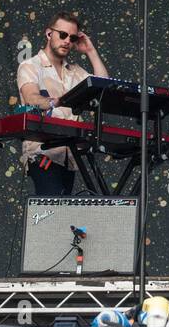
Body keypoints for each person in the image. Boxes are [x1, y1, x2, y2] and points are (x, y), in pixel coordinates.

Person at [16, 11, 108, 196]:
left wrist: (91, 51)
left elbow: (103, 87)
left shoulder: (75, 71)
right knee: (51, 212)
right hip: (43, 154)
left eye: (72, 38)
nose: (67, 41)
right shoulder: (30, 66)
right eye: (63, 34)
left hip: (70, 156)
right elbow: (32, 97)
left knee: (62, 216)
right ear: (49, 34)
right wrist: (56, 101)